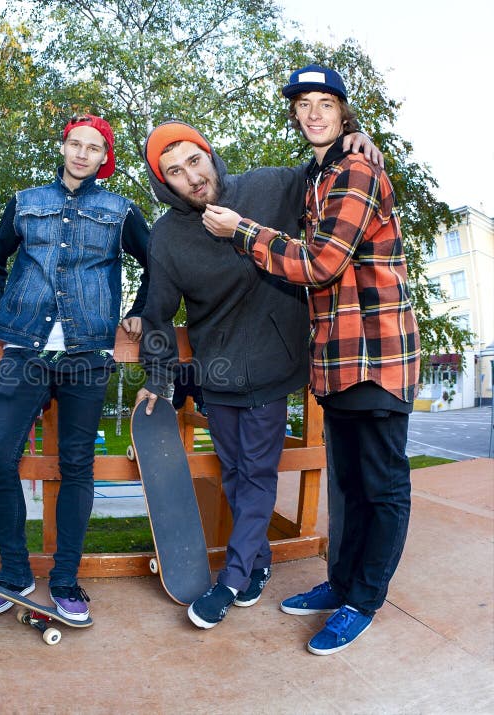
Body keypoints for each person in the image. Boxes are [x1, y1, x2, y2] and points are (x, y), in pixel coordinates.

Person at [202, 64, 420, 655]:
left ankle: (363, 601)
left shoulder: (356, 169)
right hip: (336, 359)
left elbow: (321, 263)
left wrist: (241, 232)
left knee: (380, 486)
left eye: (326, 103)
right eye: (304, 104)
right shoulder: (318, 175)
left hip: (375, 354)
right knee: (347, 486)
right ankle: (341, 583)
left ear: (344, 112)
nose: (314, 113)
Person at [137, 120, 383, 632]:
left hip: (274, 361)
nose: (191, 176)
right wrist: (158, 376)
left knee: (257, 474)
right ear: (167, 185)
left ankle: (229, 579)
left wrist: (351, 140)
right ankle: (259, 560)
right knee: (234, 474)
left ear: (210, 155)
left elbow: (325, 176)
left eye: (194, 159)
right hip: (218, 371)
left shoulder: (267, 187)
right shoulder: (166, 238)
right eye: (175, 172)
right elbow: (158, 313)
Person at [0, 113, 150, 622]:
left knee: (77, 465)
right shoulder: (26, 202)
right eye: (75, 144)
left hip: (86, 356)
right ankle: (14, 571)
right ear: (63, 147)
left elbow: (158, 263)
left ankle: (67, 581)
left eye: (93, 148)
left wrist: (142, 309)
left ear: (104, 158)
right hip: (25, 351)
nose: (81, 153)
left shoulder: (120, 211)